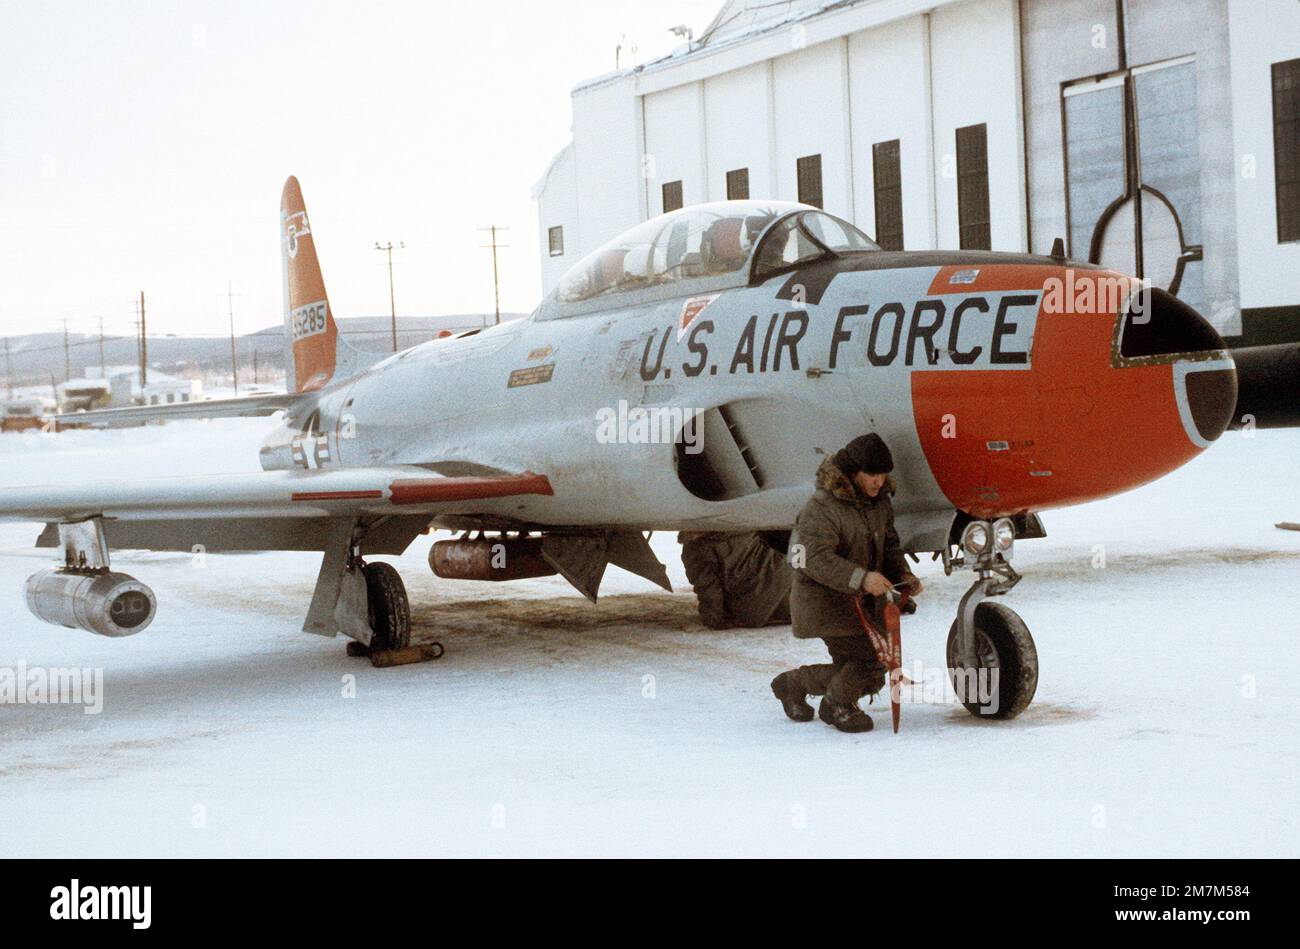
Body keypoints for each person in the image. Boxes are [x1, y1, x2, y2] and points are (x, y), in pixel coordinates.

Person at [771, 433, 922, 733]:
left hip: (858, 604)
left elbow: (889, 545)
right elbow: (811, 558)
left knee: (852, 667)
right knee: (871, 664)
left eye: (883, 474)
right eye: (872, 474)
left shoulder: (878, 503)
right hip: (824, 603)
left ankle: (794, 684)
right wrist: (862, 578)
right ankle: (837, 705)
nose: (879, 481)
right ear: (853, 472)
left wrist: (903, 576)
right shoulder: (821, 508)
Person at [678, 532, 792, 629]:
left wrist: (712, 621)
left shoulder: (694, 550)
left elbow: (710, 592)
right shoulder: (742, 522)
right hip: (789, 579)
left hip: (758, 605)